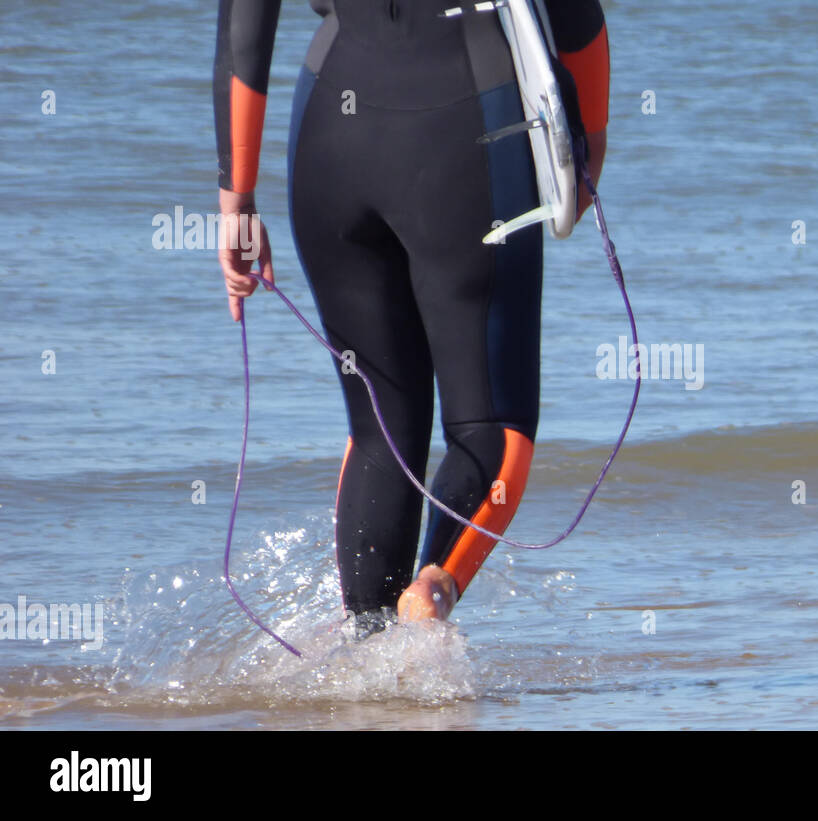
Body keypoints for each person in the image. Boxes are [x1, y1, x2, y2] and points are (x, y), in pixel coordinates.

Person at [214, 0, 609, 635]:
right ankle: (432, 591)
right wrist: (589, 138)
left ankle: (365, 661)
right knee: (491, 427)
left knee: (379, 433)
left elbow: (244, 23)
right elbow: (575, 12)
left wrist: (236, 196)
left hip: (329, 132)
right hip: (469, 123)